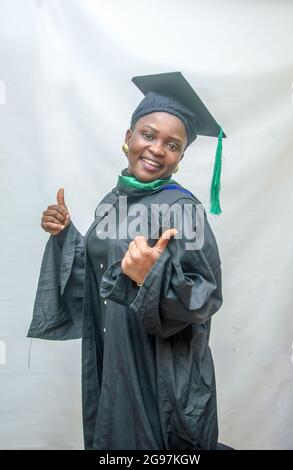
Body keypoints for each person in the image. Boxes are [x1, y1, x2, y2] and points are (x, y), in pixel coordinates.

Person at [27, 71, 226, 450]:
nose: (155, 149)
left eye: (172, 144)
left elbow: (206, 297)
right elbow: (99, 268)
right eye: (148, 135)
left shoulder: (183, 208)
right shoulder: (112, 201)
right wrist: (65, 235)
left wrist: (150, 277)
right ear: (127, 138)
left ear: (181, 158)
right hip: (112, 349)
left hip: (158, 365)